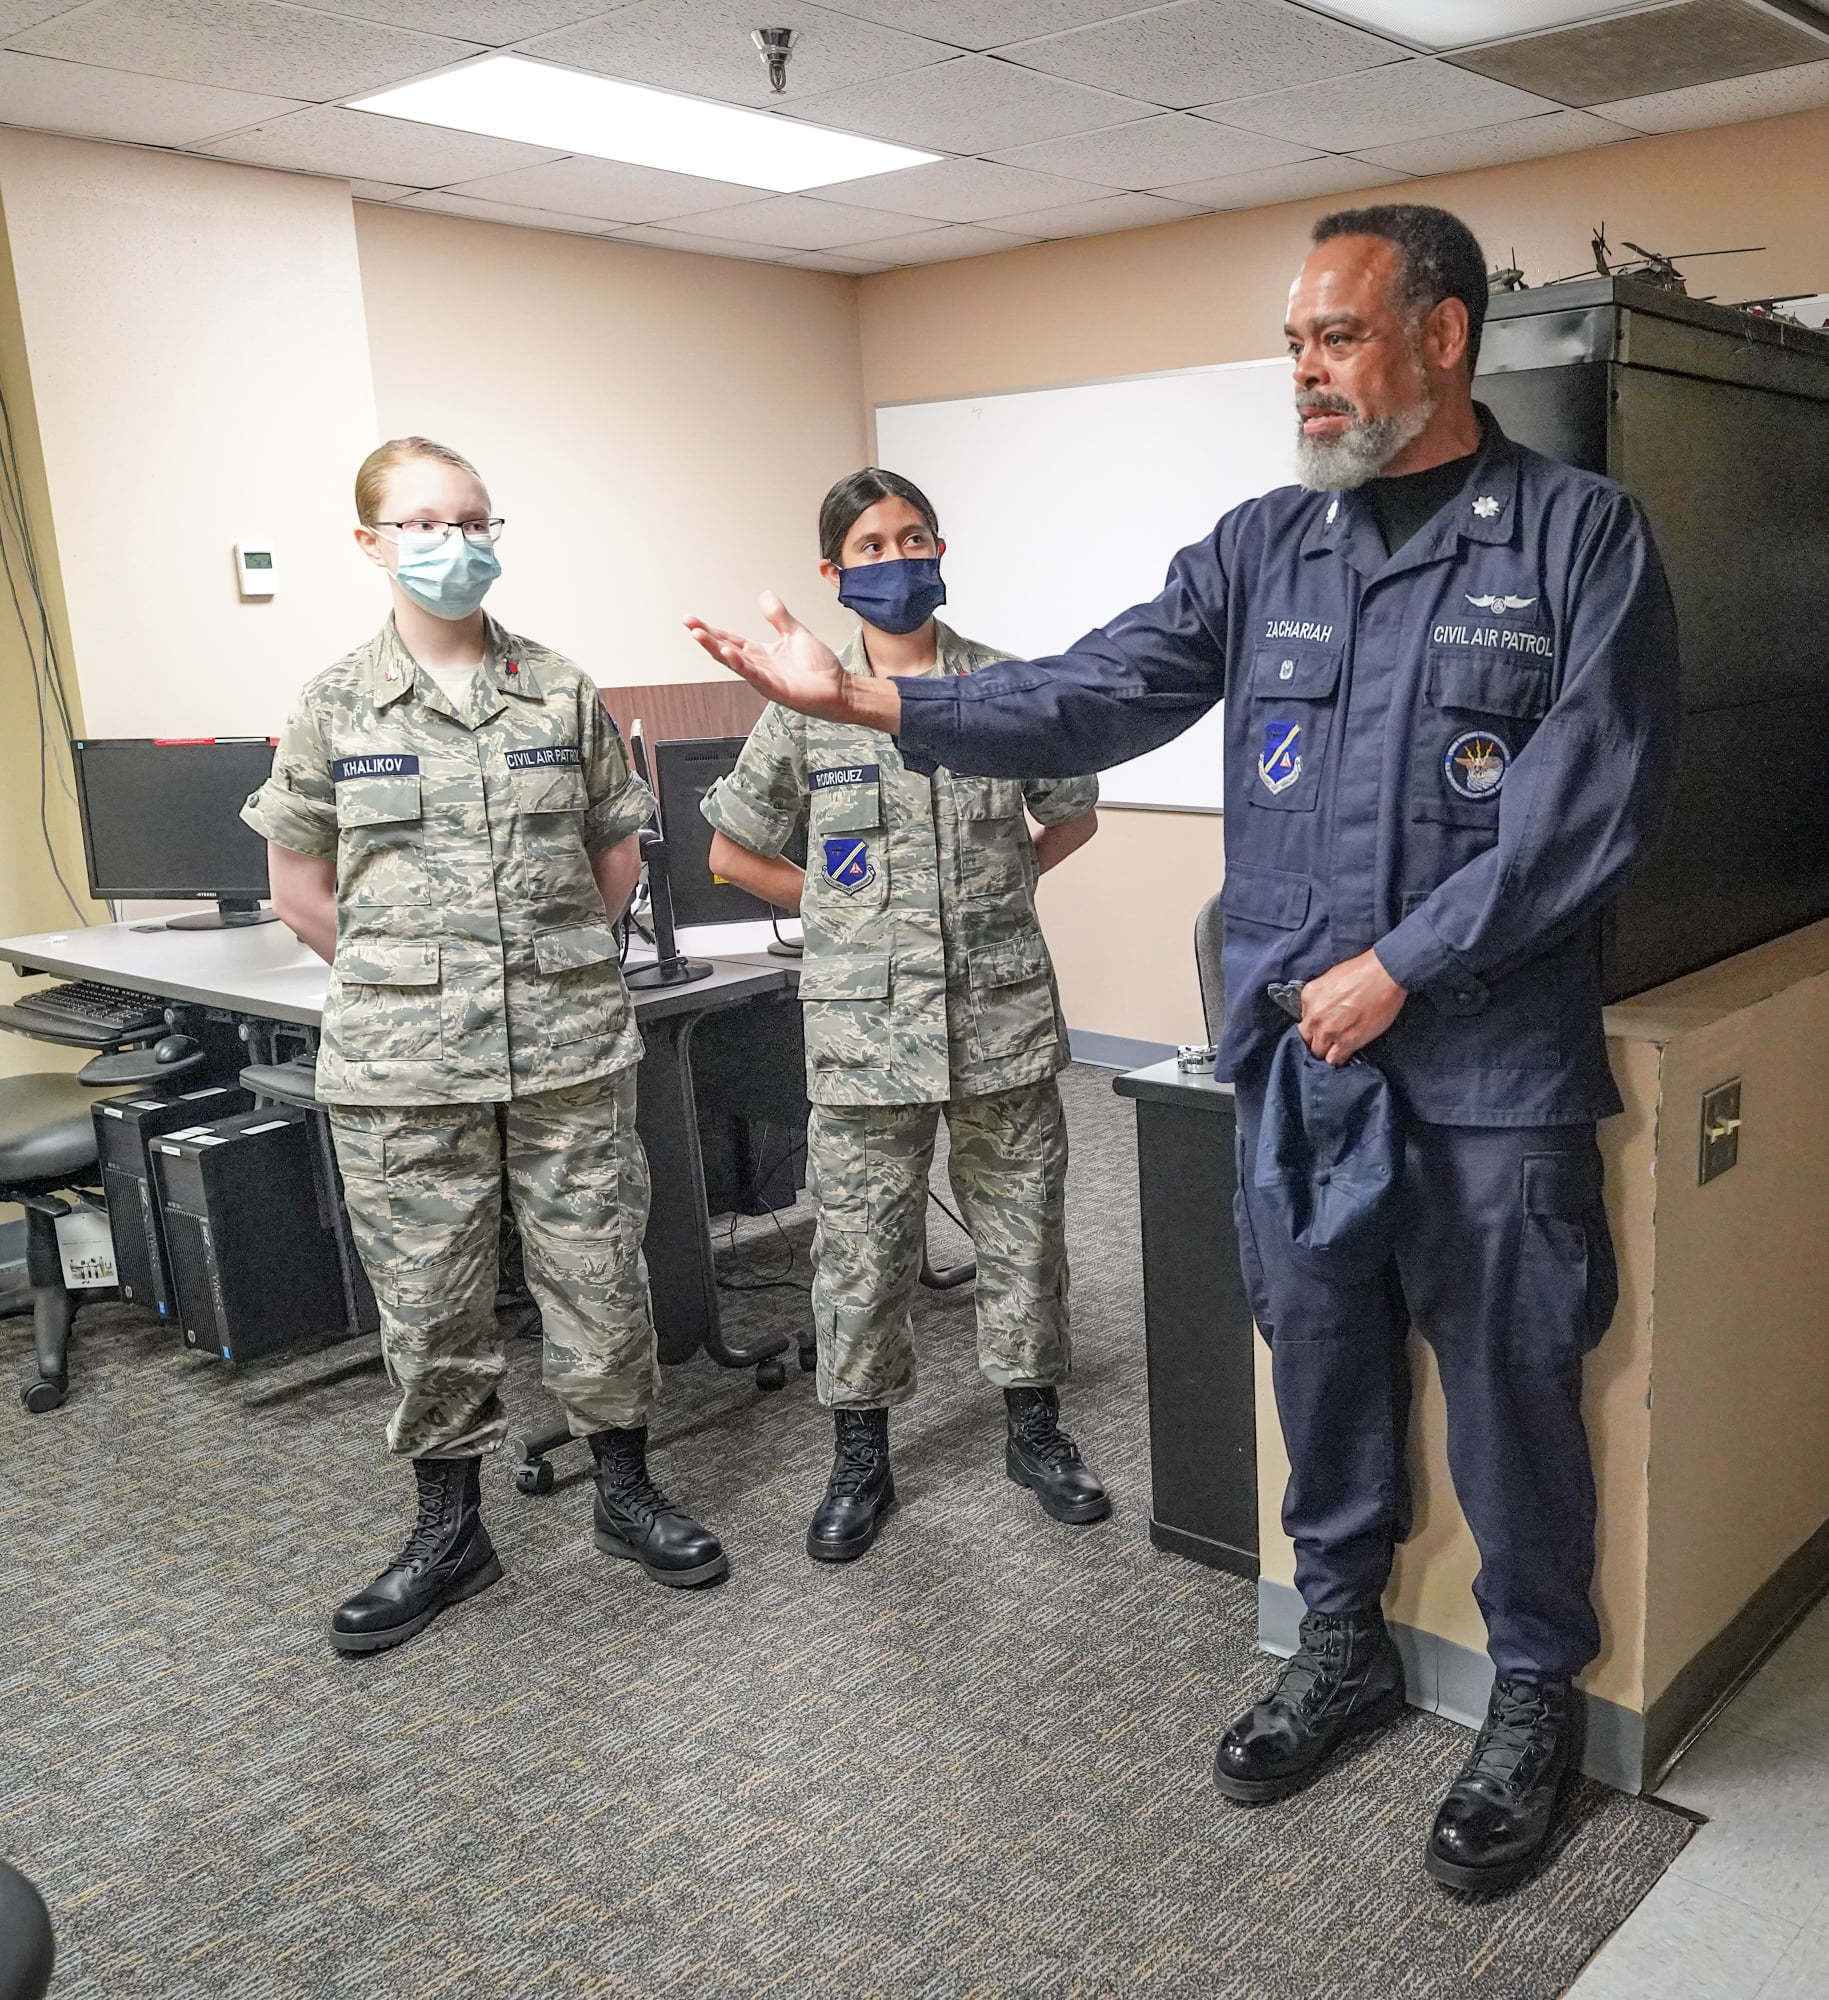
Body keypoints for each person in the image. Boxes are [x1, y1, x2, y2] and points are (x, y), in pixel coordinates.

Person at [687, 208, 1679, 1893]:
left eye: (1336, 337)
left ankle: (1527, 1700)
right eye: (1290, 343)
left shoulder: (1577, 538)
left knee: (1513, 1388)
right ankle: (1342, 1640)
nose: (1303, 373)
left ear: (1442, 339)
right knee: (1318, 1359)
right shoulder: (1260, 548)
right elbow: (1096, 691)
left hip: (1483, 1063)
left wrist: (1404, 964)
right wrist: (876, 707)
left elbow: (1585, 808)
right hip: (1298, 1056)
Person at [244, 435, 727, 1657]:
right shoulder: (333, 703)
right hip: (405, 1067)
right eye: (420, 522)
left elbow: (616, 858)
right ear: (370, 542)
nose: (450, 542)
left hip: (565, 1047)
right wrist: (424, 979)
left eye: (469, 518)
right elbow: (300, 886)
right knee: (429, 1300)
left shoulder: (556, 690)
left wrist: (536, 964)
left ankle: (624, 1492)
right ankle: (448, 1530)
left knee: (599, 1275)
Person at [699, 467, 1110, 1563]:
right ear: (834, 574)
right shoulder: (805, 704)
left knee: (1023, 1233)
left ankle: (1034, 1430)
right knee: (861, 1249)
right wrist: (837, 912)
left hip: (1000, 1018)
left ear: (941, 549)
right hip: (864, 1031)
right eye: (871, 546)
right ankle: (859, 1455)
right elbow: (731, 850)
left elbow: (1071, 812)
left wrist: (1003, 883)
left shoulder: (1005, 688)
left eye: (912, 537)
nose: (897, 558)